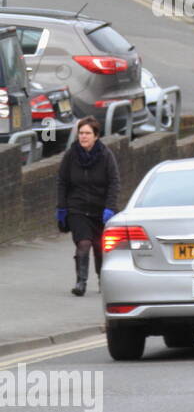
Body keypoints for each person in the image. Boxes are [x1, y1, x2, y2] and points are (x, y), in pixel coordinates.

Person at [56, 117, 121, 297]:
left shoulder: (106, 155)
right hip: (77, 209)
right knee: (83, 243)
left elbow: (114, 182)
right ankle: (81, 282)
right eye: (81, 133)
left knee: (100, 247)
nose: (83, 137)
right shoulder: (71, 155)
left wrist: (110, 207)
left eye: (87, 133)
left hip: (100, 210)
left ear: (96, 136)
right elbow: (62, 181)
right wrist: (62, 208)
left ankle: (102, 280)